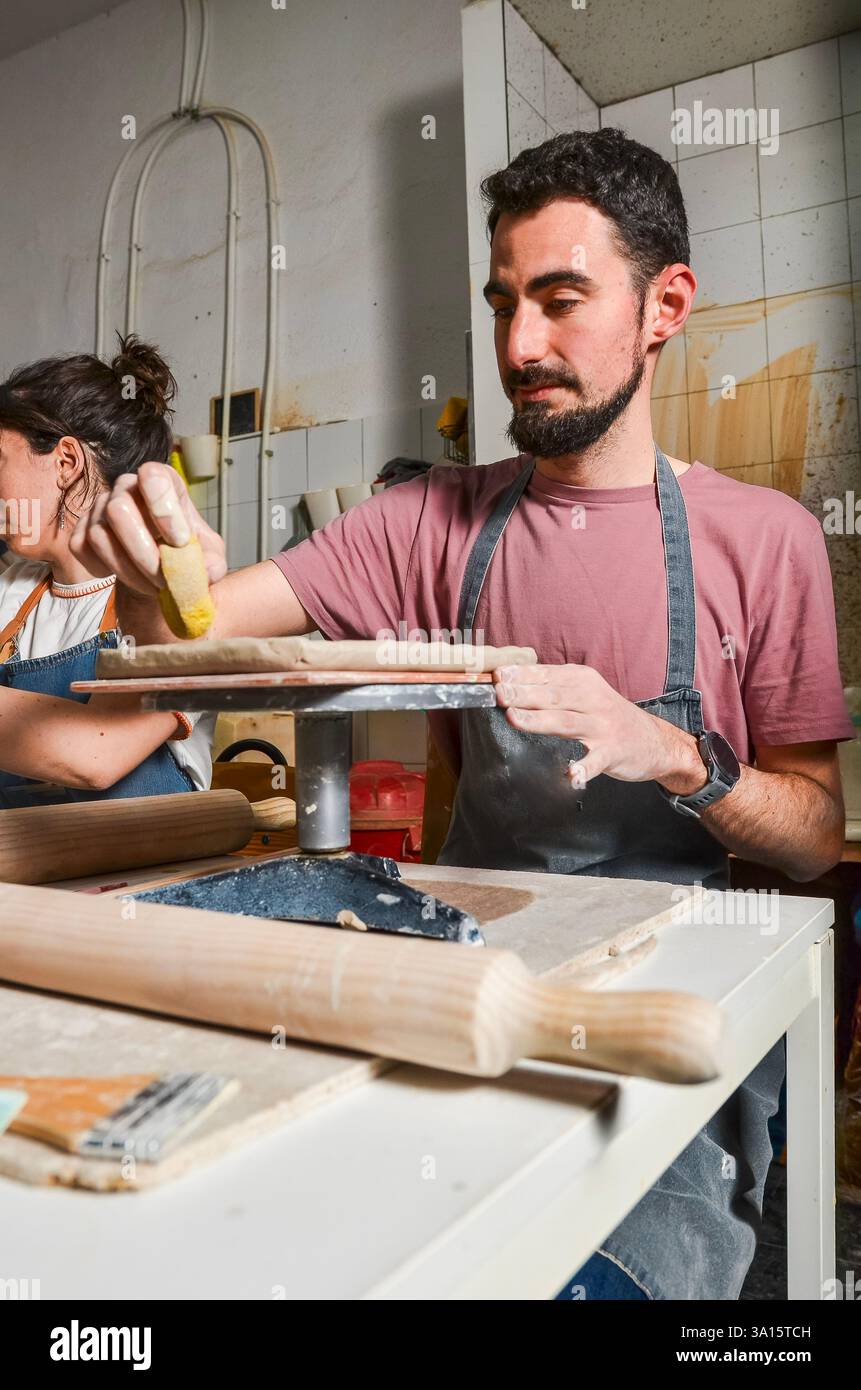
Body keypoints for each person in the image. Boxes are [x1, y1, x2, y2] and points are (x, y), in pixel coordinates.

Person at [71, 129, 852, 1299]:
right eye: (501, 303)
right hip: (461, 967)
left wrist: (676, 754)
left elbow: (811, 832)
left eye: (560, 300)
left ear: (665, 304)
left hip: (672, 1012)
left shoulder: (767, 540)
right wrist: (145, 563)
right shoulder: (427, 521)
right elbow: (189, 636)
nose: (518, 346)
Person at [0, 336, 213, 807]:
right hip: (21, 871)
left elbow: (96, 755)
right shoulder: (10, 588)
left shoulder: (175, 600)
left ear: (66, 462)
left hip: (147, 871)